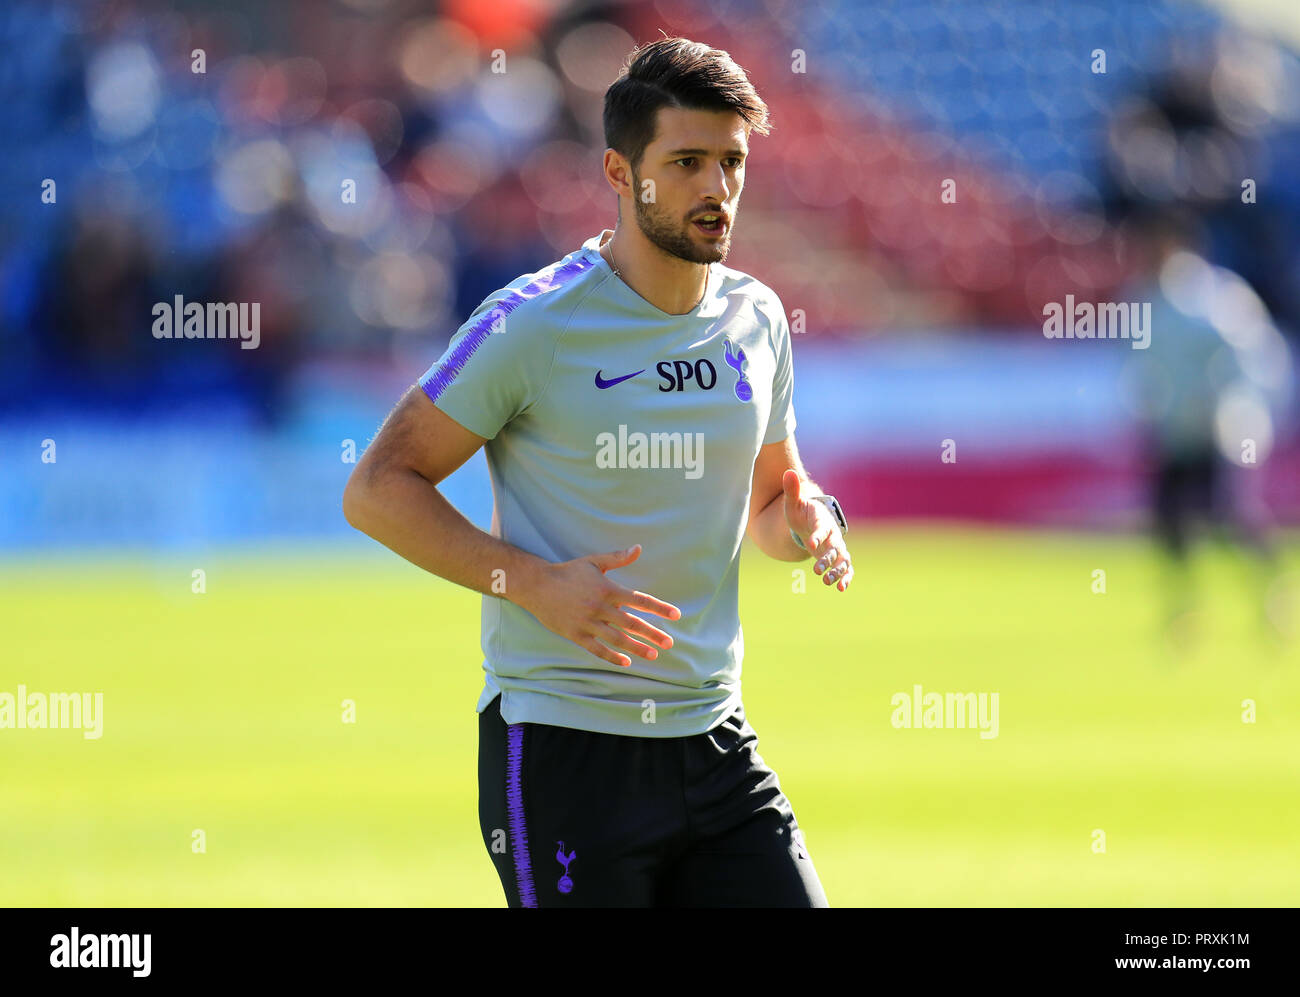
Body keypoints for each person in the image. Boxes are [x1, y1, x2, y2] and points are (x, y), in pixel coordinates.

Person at [343, 37, 852, 907]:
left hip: (715, 738)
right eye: (686, 162)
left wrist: (809, 520)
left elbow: (772, 502)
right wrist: (535, 583)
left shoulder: (757, 317)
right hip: (565, 750)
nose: (716, 188)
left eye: (732, 161)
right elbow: (378, 489)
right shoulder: (533, 323)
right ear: (621, 173)